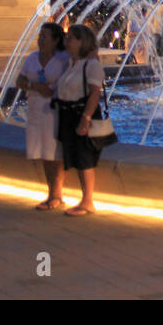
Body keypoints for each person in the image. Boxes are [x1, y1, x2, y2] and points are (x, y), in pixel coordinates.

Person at [14, 23, 70, 210]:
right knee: (43, 153)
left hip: (55, 110)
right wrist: (34, 86)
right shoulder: (32, 58)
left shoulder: (64, 59)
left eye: (45, 36)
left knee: (55, 151)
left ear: (56, 40)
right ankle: (51, 193)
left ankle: (56, 194)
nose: (40, 39)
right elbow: (19, 80)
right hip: (36, 109)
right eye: (40, 36)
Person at [55, 24, 106, 216]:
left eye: (71, 38)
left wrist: (85, 118)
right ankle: (84, 199)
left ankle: (88, 201)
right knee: (76, 155)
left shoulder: (91, 65)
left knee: (85, 157)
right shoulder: (72, 63)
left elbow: (95, 93)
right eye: (66, 38)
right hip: (69, 114)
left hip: (83, 114)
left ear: (82, 42)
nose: (66, 41)